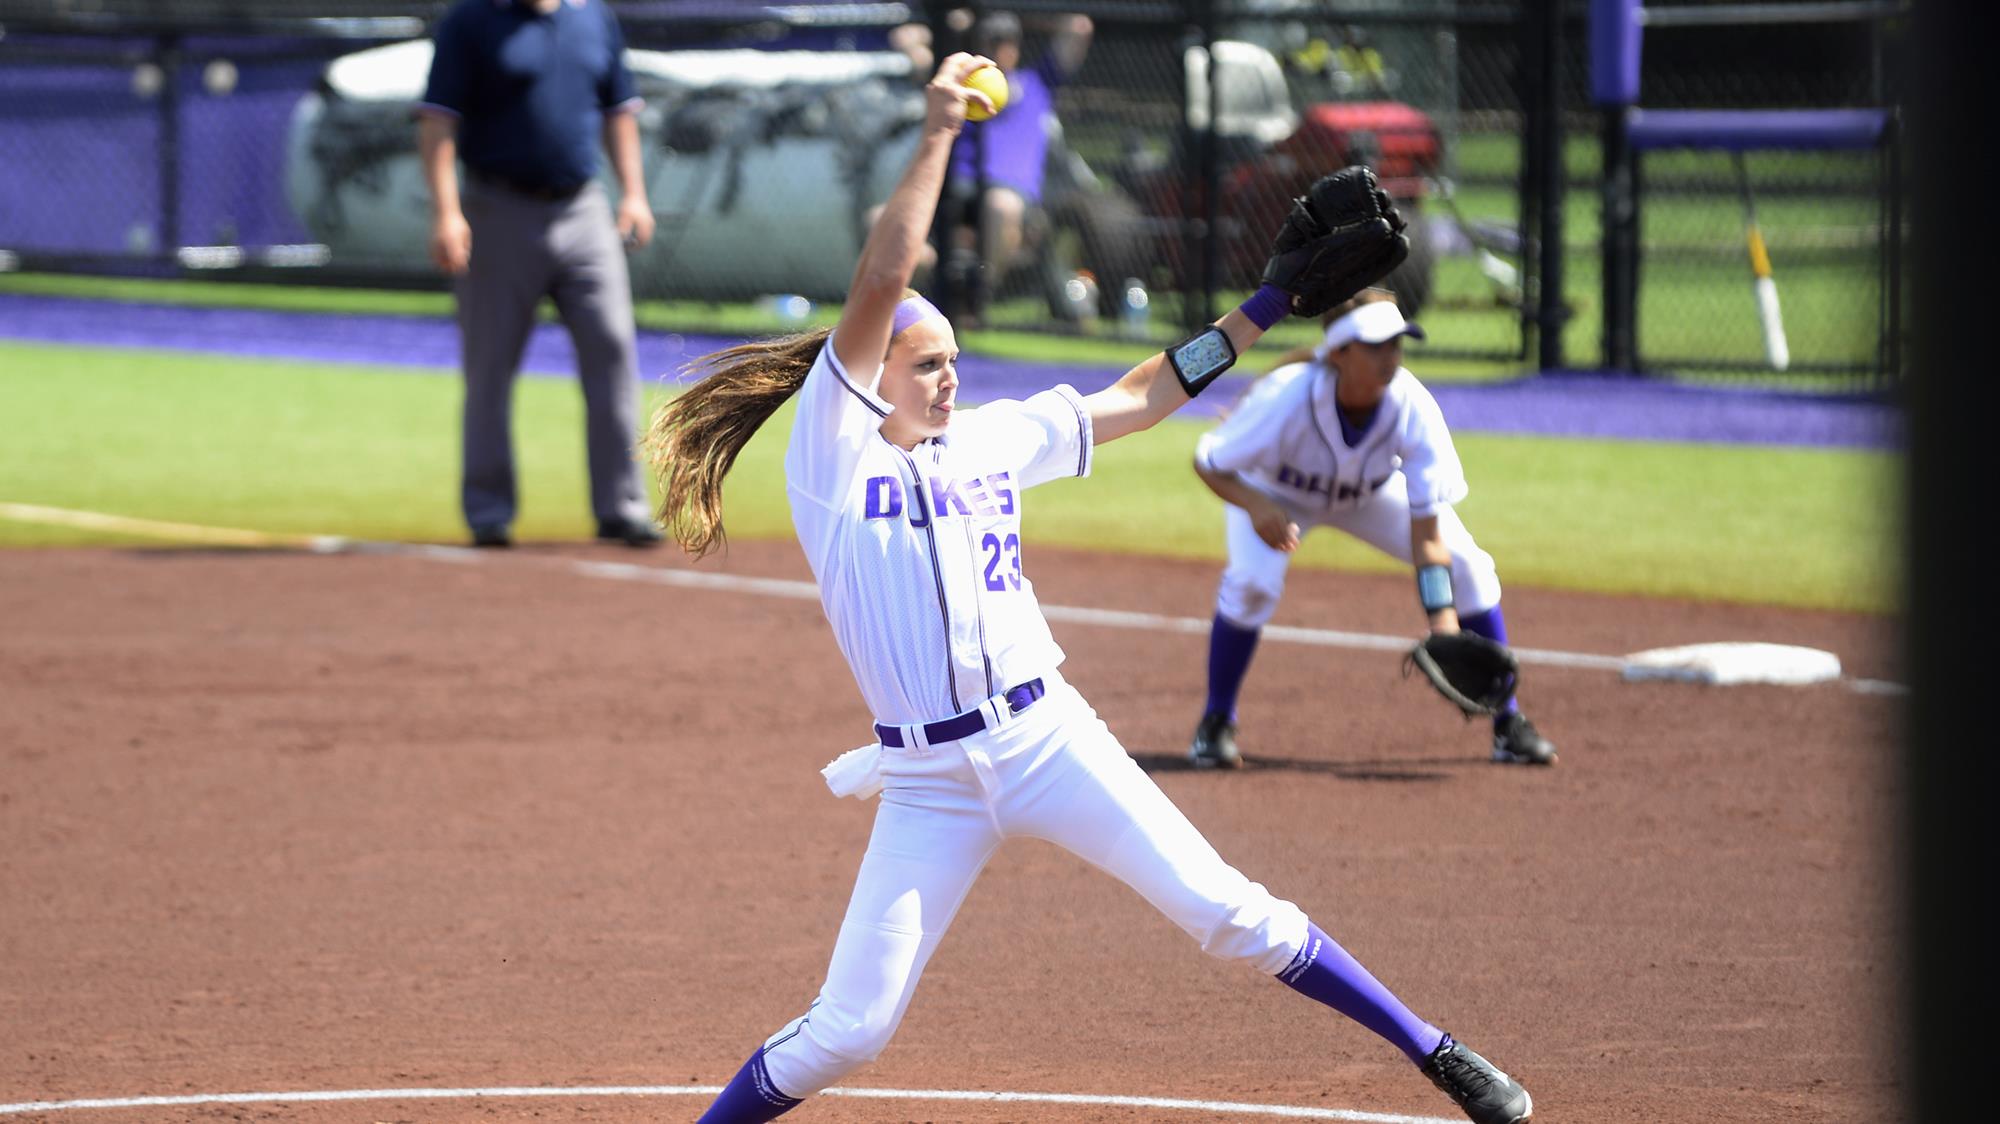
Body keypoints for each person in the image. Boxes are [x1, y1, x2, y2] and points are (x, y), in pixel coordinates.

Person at [645, 52, 1535, 1124]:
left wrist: (1260, 306)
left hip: (1045, 735)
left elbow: (1142, 393)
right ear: (868, 369)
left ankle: (1436, 1052)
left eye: (953, 358)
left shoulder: (992, 438)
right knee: (851, 1026)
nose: (948, 374)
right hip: (926, 777)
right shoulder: (831, 465)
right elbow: (883, 280)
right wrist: (938, 129)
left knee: (1228, 912)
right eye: (925, 363)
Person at [1186, 288, 1558, 769]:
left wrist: (1443, 625)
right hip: (1277, 497)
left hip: (1367, 495)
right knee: (1252, 584)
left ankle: (1508, 723)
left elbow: (1428, 536)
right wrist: (1255, 506)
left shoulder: (1412, 405)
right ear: (1340, 352)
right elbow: (1208, 460)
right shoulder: (1289, 396)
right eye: (1376, 346)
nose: (1391, 358)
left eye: (1397, 345)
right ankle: (1215, 722)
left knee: (1469, 566)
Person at [416, 0, 664, 549]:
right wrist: (446, 212)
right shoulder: (472, 20)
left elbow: (619, 109)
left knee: (613, 354)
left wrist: (635, 195)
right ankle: (488, 512)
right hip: (497, 210)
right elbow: (438, 120)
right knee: (489, 367)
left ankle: (622, 508)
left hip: (584, 210)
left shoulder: (592, 16)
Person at [942, 9, 1093, 317]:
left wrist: (1018, 20)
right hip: (958, 186)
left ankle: (977, 298)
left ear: (1016, 46)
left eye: (1005, 41)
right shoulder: (961, 85)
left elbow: (1079, 27)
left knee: (1001, 206)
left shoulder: (1036, 82)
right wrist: (964, 24)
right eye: (990, 40)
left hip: (1009, 194)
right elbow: (910, 38)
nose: (998, 49)